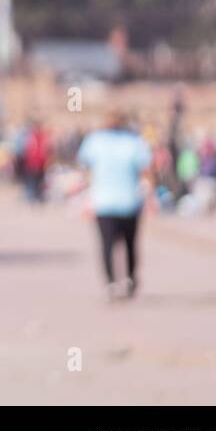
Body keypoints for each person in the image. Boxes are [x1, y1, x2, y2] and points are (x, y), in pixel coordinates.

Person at [77, 111, 152, 300]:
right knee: (128, 244)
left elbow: (85, 169)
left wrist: (85, 197)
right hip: (125, 201)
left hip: (107, 202)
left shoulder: (95, 140)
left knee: (109, 244)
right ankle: (126, 279)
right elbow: (146, 171)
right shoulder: (134, 141)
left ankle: (114, 281)